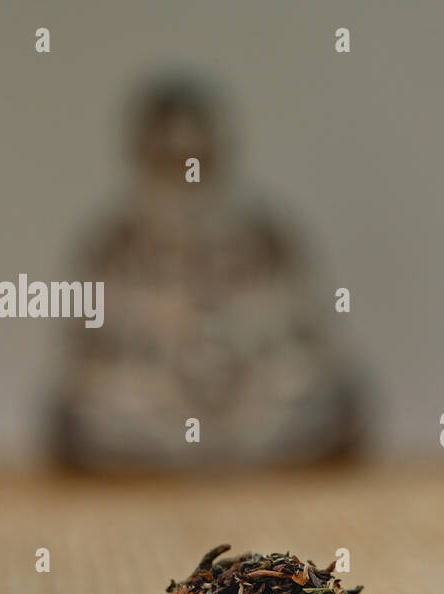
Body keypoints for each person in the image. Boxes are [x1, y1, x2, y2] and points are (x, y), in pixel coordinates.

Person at [51, 76, 362, 470]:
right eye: (170, 161)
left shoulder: (271, 241)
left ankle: (225, 450)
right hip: (151, 420)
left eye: (200, 159)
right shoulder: (109, 249)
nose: (187, 177)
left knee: (329, 402)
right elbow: (87, 368)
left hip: (254, 416)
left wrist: (248, 342)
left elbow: (309, 350)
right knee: (89, 418)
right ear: (140, 159)